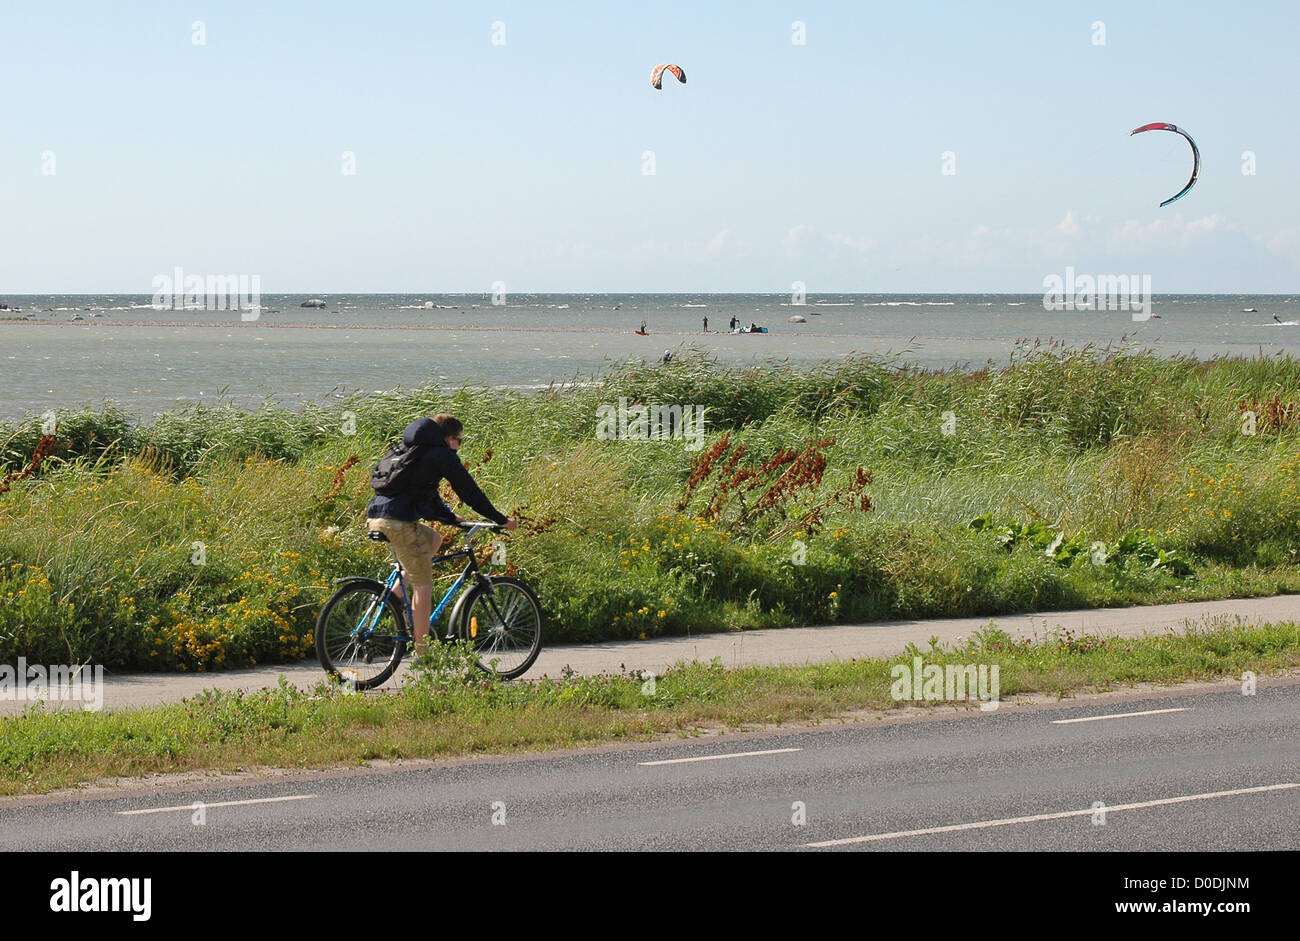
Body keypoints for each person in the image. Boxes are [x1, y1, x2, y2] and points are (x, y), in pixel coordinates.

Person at [366, 414, 516, 652]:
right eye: (459, 441)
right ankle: (423, 652)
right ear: (449, 439)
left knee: (433, 539)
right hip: (399, 523)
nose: (459, 446)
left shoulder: (412, 448)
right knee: (423, 585)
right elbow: (469, 490)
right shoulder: (440, 454)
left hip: (377, 517)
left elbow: (423, 492)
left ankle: (394, 600)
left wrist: (450, 518)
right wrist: (500, 519)